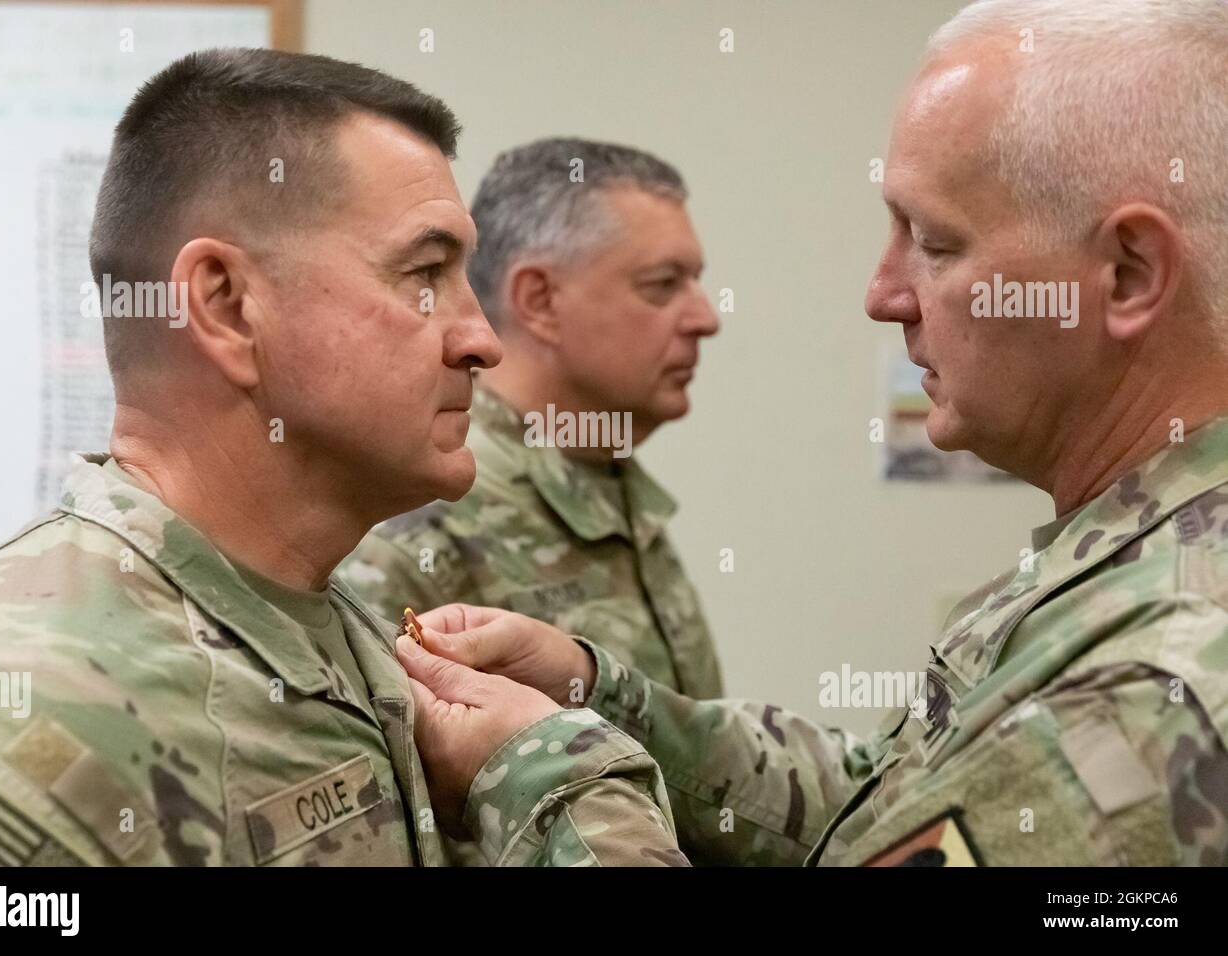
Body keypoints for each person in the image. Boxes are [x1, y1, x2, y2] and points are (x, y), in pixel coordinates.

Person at [399, 0, 1228, 866]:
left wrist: (544, 768)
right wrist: (594, 691)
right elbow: (881, 799)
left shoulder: (1163, 672)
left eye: (936, 244)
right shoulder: (1112, 568)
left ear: (1127, 275)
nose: (883, 293)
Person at [0, 48, 681, 867]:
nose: (480, 340)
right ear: (224, 304)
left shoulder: (338, 625)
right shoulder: (29, 732)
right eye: (425, 273)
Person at [340, 138, 723, 699]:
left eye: (696, 282)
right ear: (539, 300)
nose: (705, 318)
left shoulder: (608, 481)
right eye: (663, 285)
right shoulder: (423, 521)